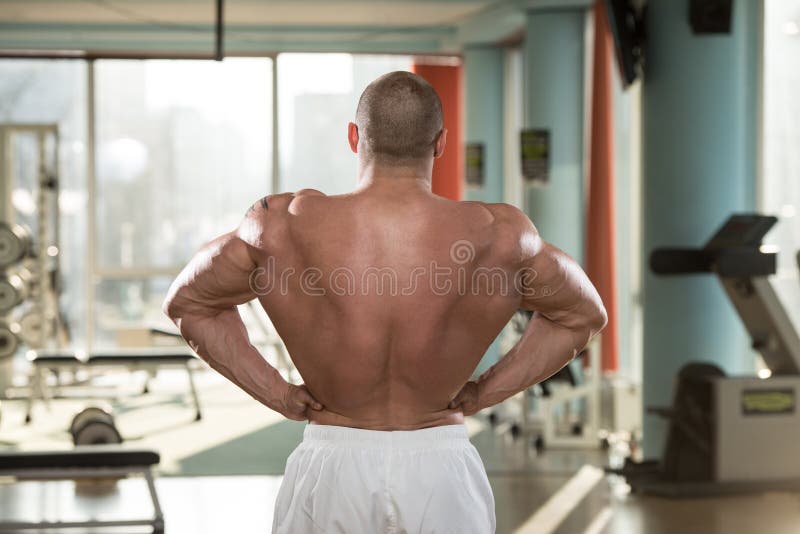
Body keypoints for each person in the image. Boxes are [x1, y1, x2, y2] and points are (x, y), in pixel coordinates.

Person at [163, 71, 607, 533]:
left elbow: (188, 303)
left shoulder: (281, 226)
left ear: (354, 137)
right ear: (440, 143)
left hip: (333, 459)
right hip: (441, 466)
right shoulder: (501, 235)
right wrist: (484, 391)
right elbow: (583, 315)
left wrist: (278, 393)